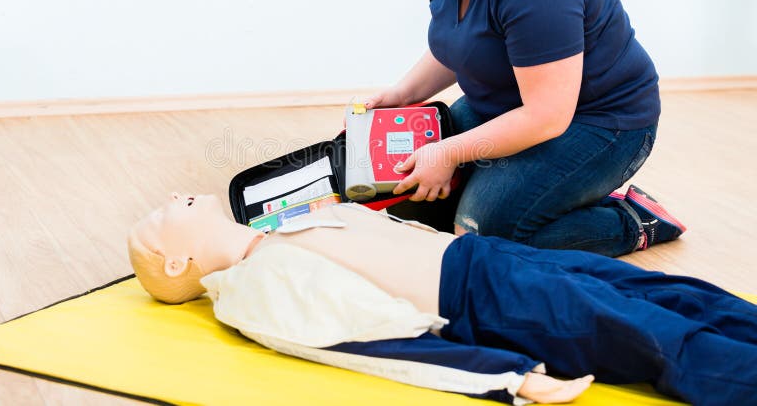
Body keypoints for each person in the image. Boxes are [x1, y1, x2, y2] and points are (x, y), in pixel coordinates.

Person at [128, 193, 757, 406]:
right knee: (652, 332)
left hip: (487, 259)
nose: (163, 205)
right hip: (485, 299)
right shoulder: (252, 291)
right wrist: (508, 377)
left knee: (670, 291)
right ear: (180, 263)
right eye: (156, 223)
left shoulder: (276, 230)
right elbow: (367, 348)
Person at [365, 0, 677, 257]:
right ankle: (556, 191)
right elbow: (459, 41)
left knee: (482, 235)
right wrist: (402, 94)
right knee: (413, 199)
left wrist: (447, 152)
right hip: (515, 103)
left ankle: (633, 221)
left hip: (600, 121)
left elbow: (547, 116)